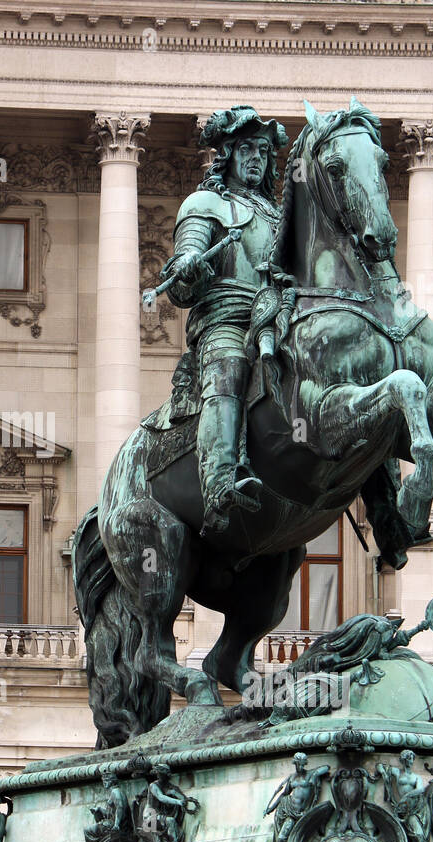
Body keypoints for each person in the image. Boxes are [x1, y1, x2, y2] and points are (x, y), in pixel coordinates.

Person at [163, 105, 288, 537]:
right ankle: (220, 482)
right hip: (228, 317)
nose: (257, 158)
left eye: (263, 150)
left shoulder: (280, 216)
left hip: (282, 315)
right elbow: (179, 283)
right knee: (228, 367)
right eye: (247, 149)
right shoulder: (206, 204)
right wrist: (190, 265)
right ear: (229, 154)